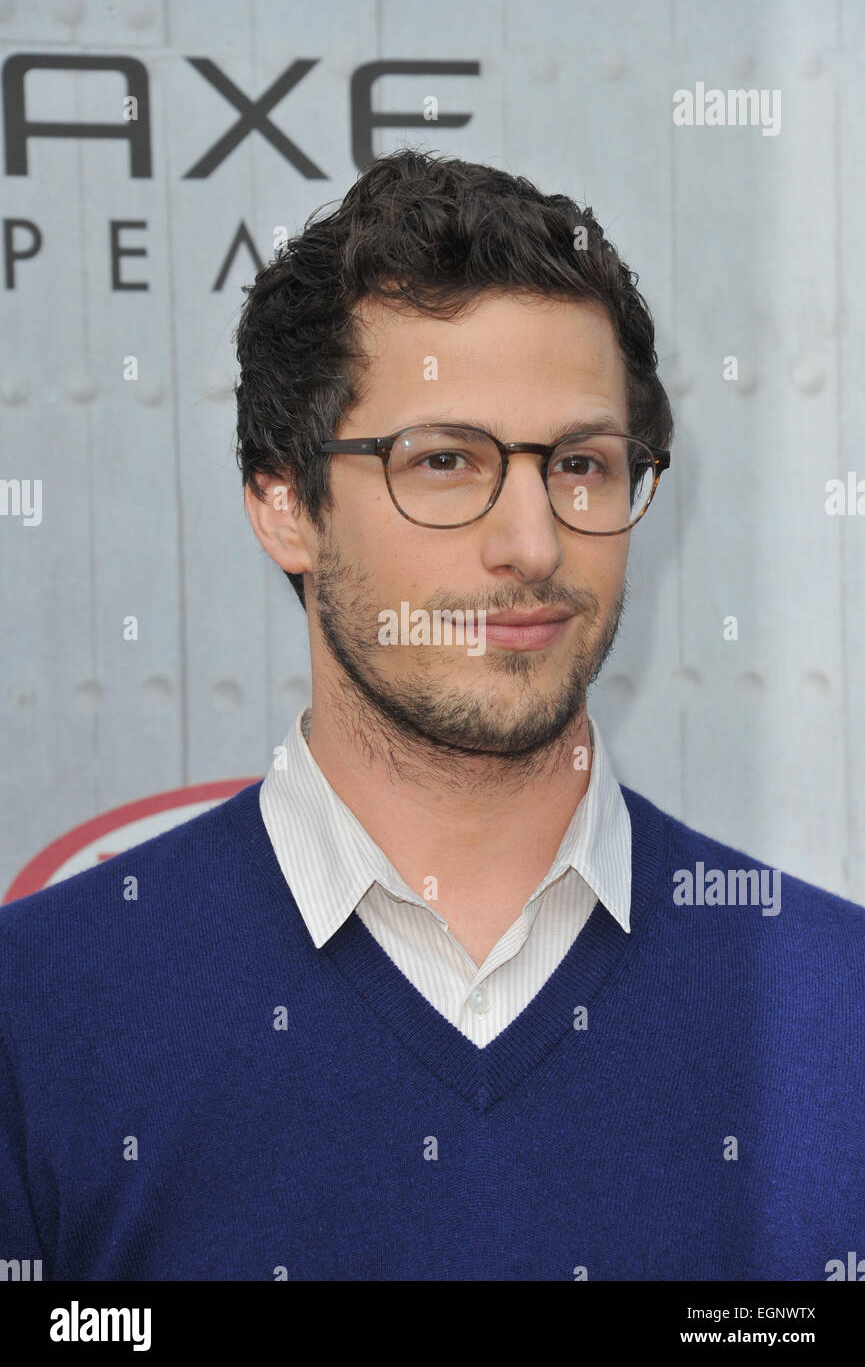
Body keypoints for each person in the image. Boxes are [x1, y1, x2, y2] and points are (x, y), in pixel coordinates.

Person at [1, 149, 862, 1282]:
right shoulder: (39, 1014)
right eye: (445, 461)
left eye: (582, 464)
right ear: (283, 505)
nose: (534, 541)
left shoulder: (831, 1004)